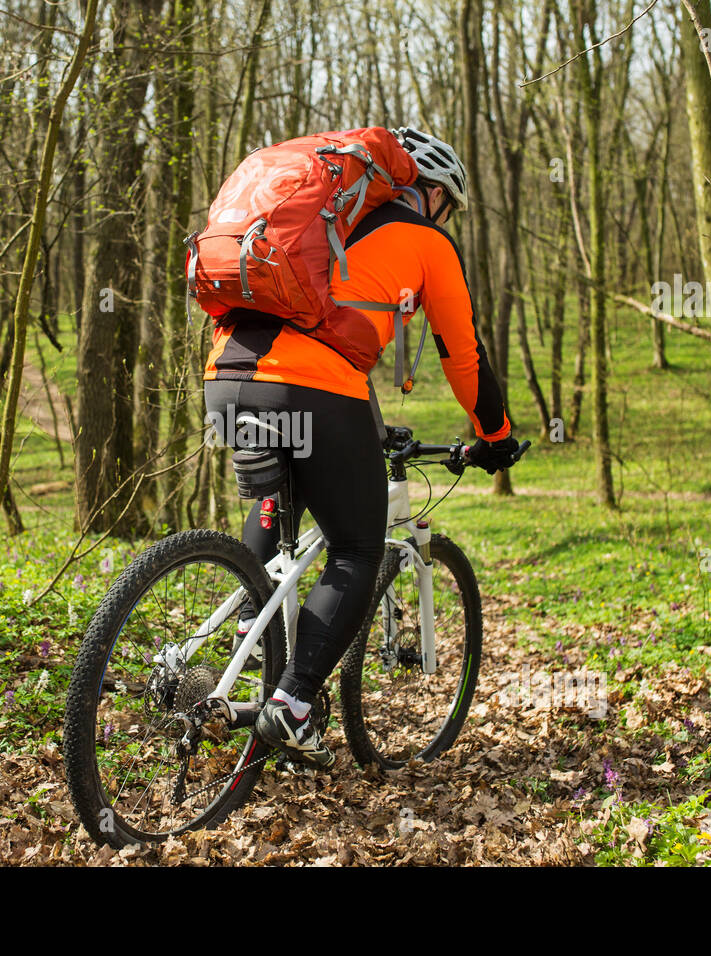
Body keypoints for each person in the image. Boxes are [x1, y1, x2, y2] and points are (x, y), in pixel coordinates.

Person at [202, 127, 521, 768]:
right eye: (449, 206)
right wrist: (496, 435)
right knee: (356, 548)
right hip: (309, 387)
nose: (446, 217)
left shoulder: (324, 229)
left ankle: (251, 626)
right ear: (433, 195)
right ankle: (292, 706)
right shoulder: (427, 241)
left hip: (227, 378)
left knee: (277, 501)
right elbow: (464, 357)